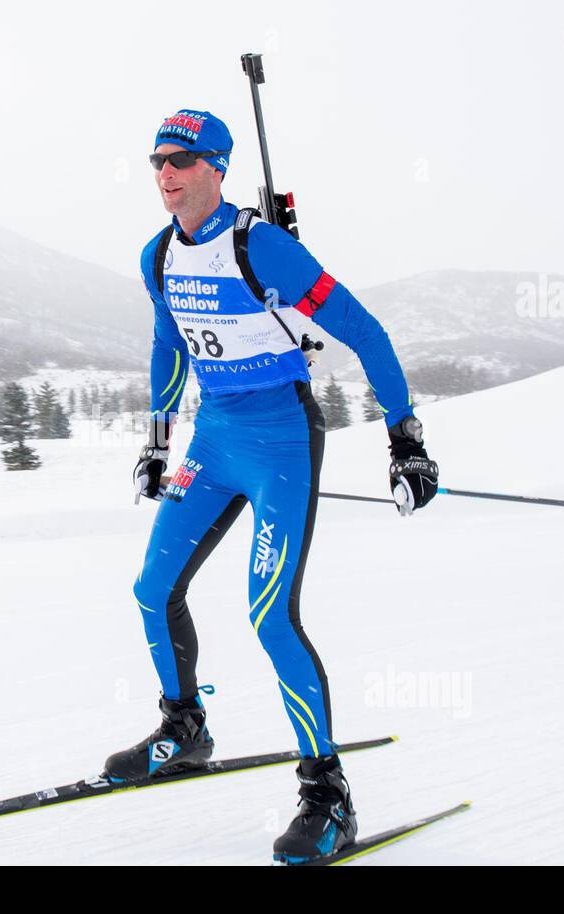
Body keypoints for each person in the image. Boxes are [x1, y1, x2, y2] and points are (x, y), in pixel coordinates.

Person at [103, 108, 439, 864]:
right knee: (153, 589)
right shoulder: (158, 256)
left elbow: (366, 330)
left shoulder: (264, 248)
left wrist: (405, 437)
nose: (166, 172)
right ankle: (184, 728)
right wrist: (156, 444)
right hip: (213, 442)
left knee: (271, 617)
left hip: (283, 441)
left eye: (182, 160)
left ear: (216, 167)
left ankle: (329, 792)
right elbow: (168, 346)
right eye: (157, 160)